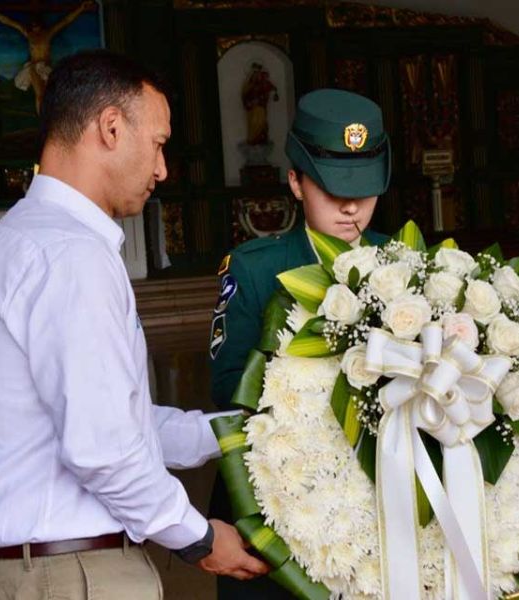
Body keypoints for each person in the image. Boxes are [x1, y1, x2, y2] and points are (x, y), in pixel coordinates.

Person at [0, 50, 268, 600]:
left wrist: (245, 429)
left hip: (48, 571)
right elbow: (102, 449)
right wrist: (197, 536)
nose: (162, 169)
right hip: (69, 576)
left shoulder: (31, 236)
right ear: (110, 126)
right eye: (159, 144)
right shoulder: (69, 254)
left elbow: (115, 422)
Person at [208, 87, 391, 600]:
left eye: (365, 188)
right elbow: (227, 388)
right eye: (333, 189)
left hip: (376, 503)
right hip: (280, 501)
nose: (352, 206)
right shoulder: (256, 267)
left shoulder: (404, 264)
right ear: (295, 181)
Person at [0, 1, 97, 112]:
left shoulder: (48, 33)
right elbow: (9, 22)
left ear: (40, 24)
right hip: (34, 67)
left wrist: (81, 8)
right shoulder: (29, 34)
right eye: (33, 24)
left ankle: (50, 120)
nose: (35, 26)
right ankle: (43, 123)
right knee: (39, 96)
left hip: (45, 67)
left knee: (49, 96)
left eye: (37, 24)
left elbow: (65, 21)